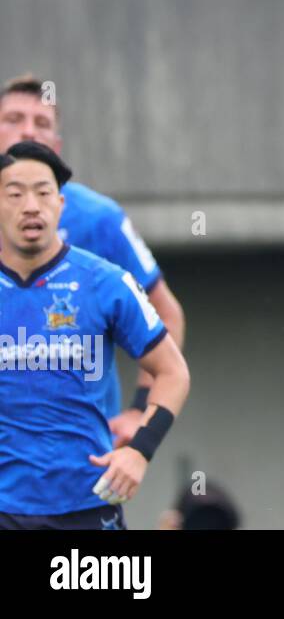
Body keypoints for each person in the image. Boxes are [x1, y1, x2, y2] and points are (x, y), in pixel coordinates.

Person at [0, 142, 190, 530]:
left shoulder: (107, 283)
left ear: (61, 205)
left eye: (43, 192)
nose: (31, 205)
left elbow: (173, 373)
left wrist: (140, 450)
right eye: (15, 194)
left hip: (87, 506)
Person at [0, 75, 186, 450]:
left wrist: (138, 413)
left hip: (83, 456)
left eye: (42, 123)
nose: (27, 131)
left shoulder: (99, 218)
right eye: (14, 118)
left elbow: (167, 314)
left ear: (57, 145)